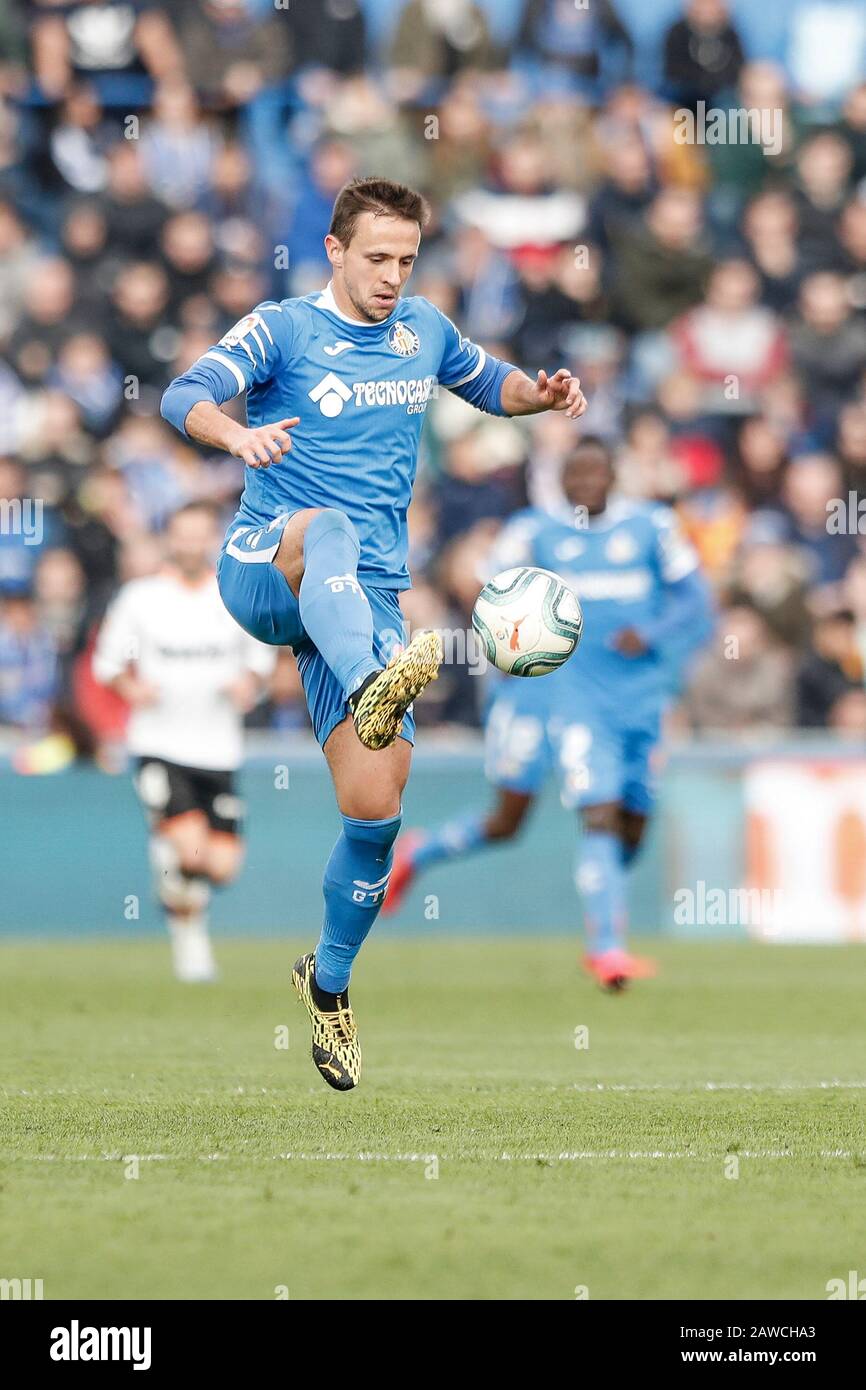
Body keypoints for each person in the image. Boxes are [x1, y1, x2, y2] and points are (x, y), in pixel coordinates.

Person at [160, 175, 587, 1088]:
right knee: (330, 529)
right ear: (334, 252)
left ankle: (330, 984)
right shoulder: (283, 329)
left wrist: (540, 395)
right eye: (377, 258)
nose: (393, 275)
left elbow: (490, 383)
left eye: (406, 259)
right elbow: (182, 394)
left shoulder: (422, 330)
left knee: (376, 813)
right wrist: (236, 440)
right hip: (270, 563)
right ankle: (371, 682)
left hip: (364, 601)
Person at [383, 436, 713, 990]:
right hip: (562, 698)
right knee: (597, 812)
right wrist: (503, 639)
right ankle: (607, 950)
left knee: (599, 825)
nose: (584, 484)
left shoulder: (653, 528)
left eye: (595, 473)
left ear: (615, 476)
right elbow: (483, 590)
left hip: (640, 701)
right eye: (573, 474)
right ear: (559, 480)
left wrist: (652, 633)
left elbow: (697, 601)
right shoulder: (534, 532)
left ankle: (423, 849)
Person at [93, 502, 275, 983]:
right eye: (182, 534)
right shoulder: (141, 598)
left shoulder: (233, 596)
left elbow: (261, 663)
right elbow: (106, 665)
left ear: (214, 539)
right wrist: (134, 690)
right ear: (169, 539)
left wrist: (247, 687)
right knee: (190, 850)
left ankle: (168, 871)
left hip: (219, 750)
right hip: (160, 744)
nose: (191, 543)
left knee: (221, 867)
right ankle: (190, 943)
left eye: (200, 534)